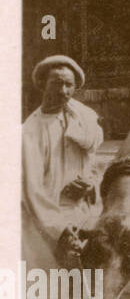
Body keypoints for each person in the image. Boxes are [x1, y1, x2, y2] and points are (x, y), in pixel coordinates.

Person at [22, 55, 103, 236]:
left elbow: (93, 165)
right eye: (56, 83)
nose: (63, 91)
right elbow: (31, 191)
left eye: (69, 85)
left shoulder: (82, 120)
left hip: (86, 212)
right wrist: (60, 231)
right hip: (51, 221)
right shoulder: (30, 131)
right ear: (43, 84)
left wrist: (90, 185)